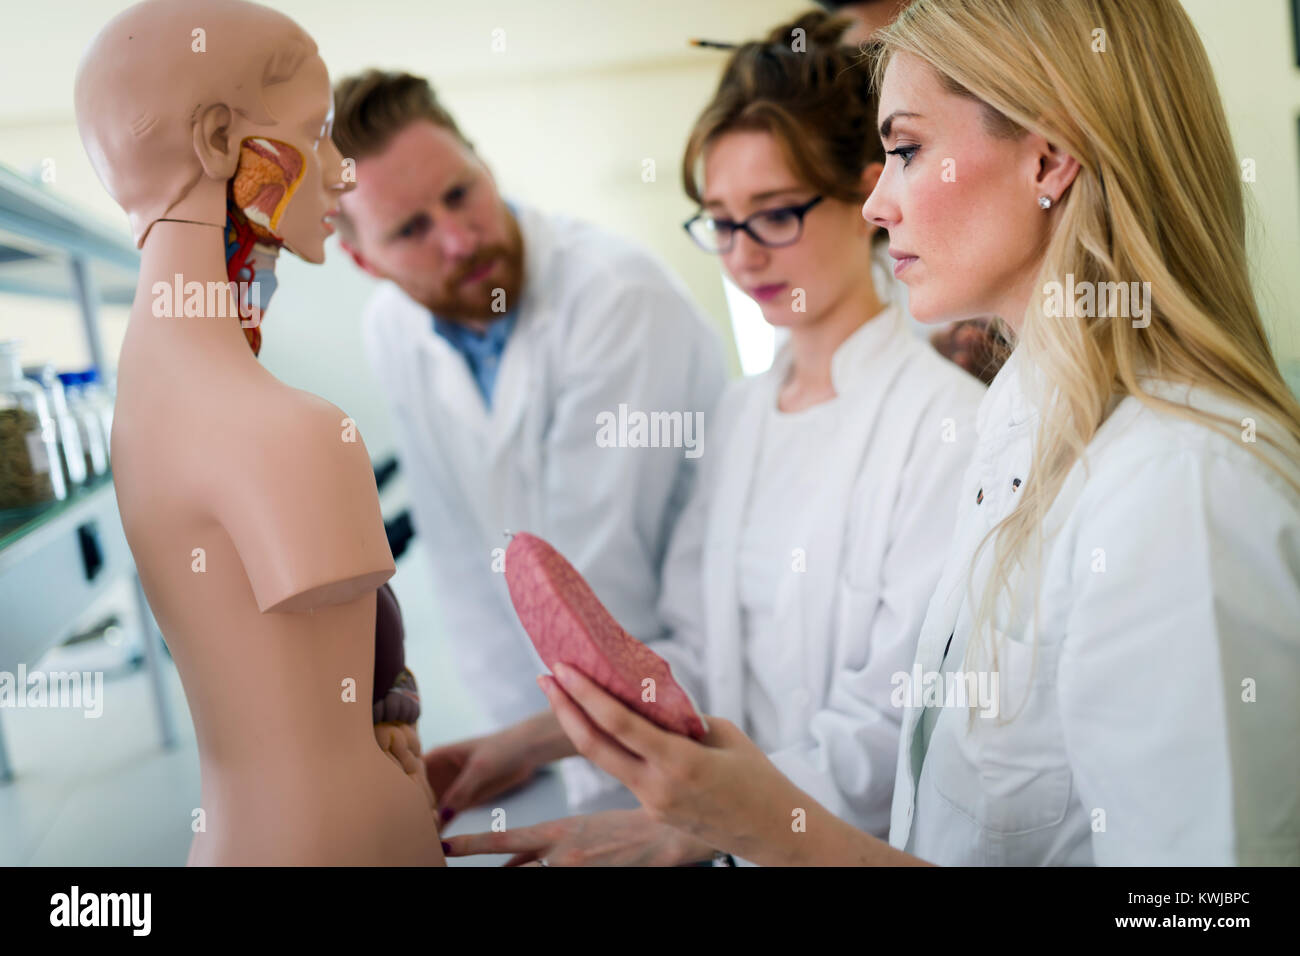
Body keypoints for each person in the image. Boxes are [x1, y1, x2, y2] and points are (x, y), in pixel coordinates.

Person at [529, 0, 1300, 866]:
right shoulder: (1022, 433)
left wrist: (785, 834)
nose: (877, 204)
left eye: (904, 151)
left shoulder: (1178, 483)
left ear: (1048, 160)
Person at [441, 12, 983, 866]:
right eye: (721, 222)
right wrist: (528, 742)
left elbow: (893, 729)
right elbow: (691, 652)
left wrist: (684, 831)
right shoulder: (738, 415)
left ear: (868, 200)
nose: (743, 257)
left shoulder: (946, 426)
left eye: (774, 215)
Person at [329, 71, 728, 814]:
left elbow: (598, 586)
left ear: (484, 163)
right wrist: (510, 752)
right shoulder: (392, 327)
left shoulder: (614, 298)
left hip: (690, 694)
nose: (459, 238)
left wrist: (540, 748)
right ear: (363, 260)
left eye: (460, 193)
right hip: (551, 729)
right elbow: (458, 553)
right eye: (410, 230)